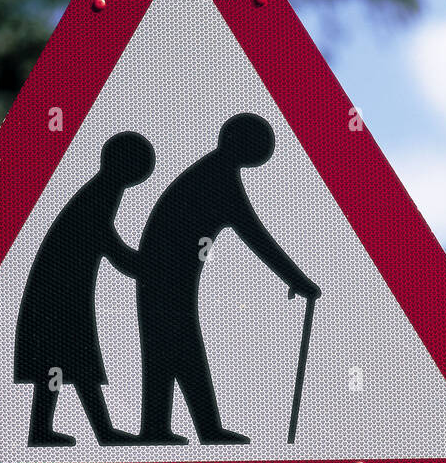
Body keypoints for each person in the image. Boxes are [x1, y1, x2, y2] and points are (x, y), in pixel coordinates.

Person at [134, 113, 320, 444]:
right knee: (177, 350)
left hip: (165, 276)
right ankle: (183, 429)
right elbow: (256, 236)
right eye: (260, 144)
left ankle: (167, 428)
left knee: (173, 350)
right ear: (242, 144)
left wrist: (297, 280)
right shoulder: (219, 179)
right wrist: (299, 281)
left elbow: (253, 234)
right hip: (164, 277)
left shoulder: (215, 172)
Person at [14, 130, 155, 446]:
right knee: (70, 361)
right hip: (60, 293)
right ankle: (79, 431)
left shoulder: (102, 190)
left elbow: (106, 243)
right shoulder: (100, 194)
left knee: (68, 362)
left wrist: (139, 264)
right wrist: (149, 267)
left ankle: (62, 430)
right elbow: (109, 243)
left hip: (64, 290)